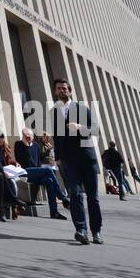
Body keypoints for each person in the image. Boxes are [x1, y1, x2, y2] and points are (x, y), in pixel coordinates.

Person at [51, 77, 103, 245]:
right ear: (55, 91)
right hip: (68, 160)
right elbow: (56, 136)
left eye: (65, 88)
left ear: (70, 91)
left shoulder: (82, 108)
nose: (62, 90)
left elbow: (95, 130)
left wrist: (80, 128)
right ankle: (81, 230)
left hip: (86, 158)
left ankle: (96, 231)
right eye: (59, 88)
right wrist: (58, 158)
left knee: (93, 197)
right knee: (75, 194)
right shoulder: (54, 112)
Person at [14, 126, 69, 219]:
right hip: (25, 171)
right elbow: (23, 160)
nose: (29, 138)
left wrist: (40, 172)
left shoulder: (36, 146)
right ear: (23, 136)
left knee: (49, 180)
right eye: (27, 136)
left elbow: (38, 162)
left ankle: (54, 212)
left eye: (30, 136)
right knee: (48, 170)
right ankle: (62, 197)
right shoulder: (18, 144)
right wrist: (26, 146)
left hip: (36, 173)